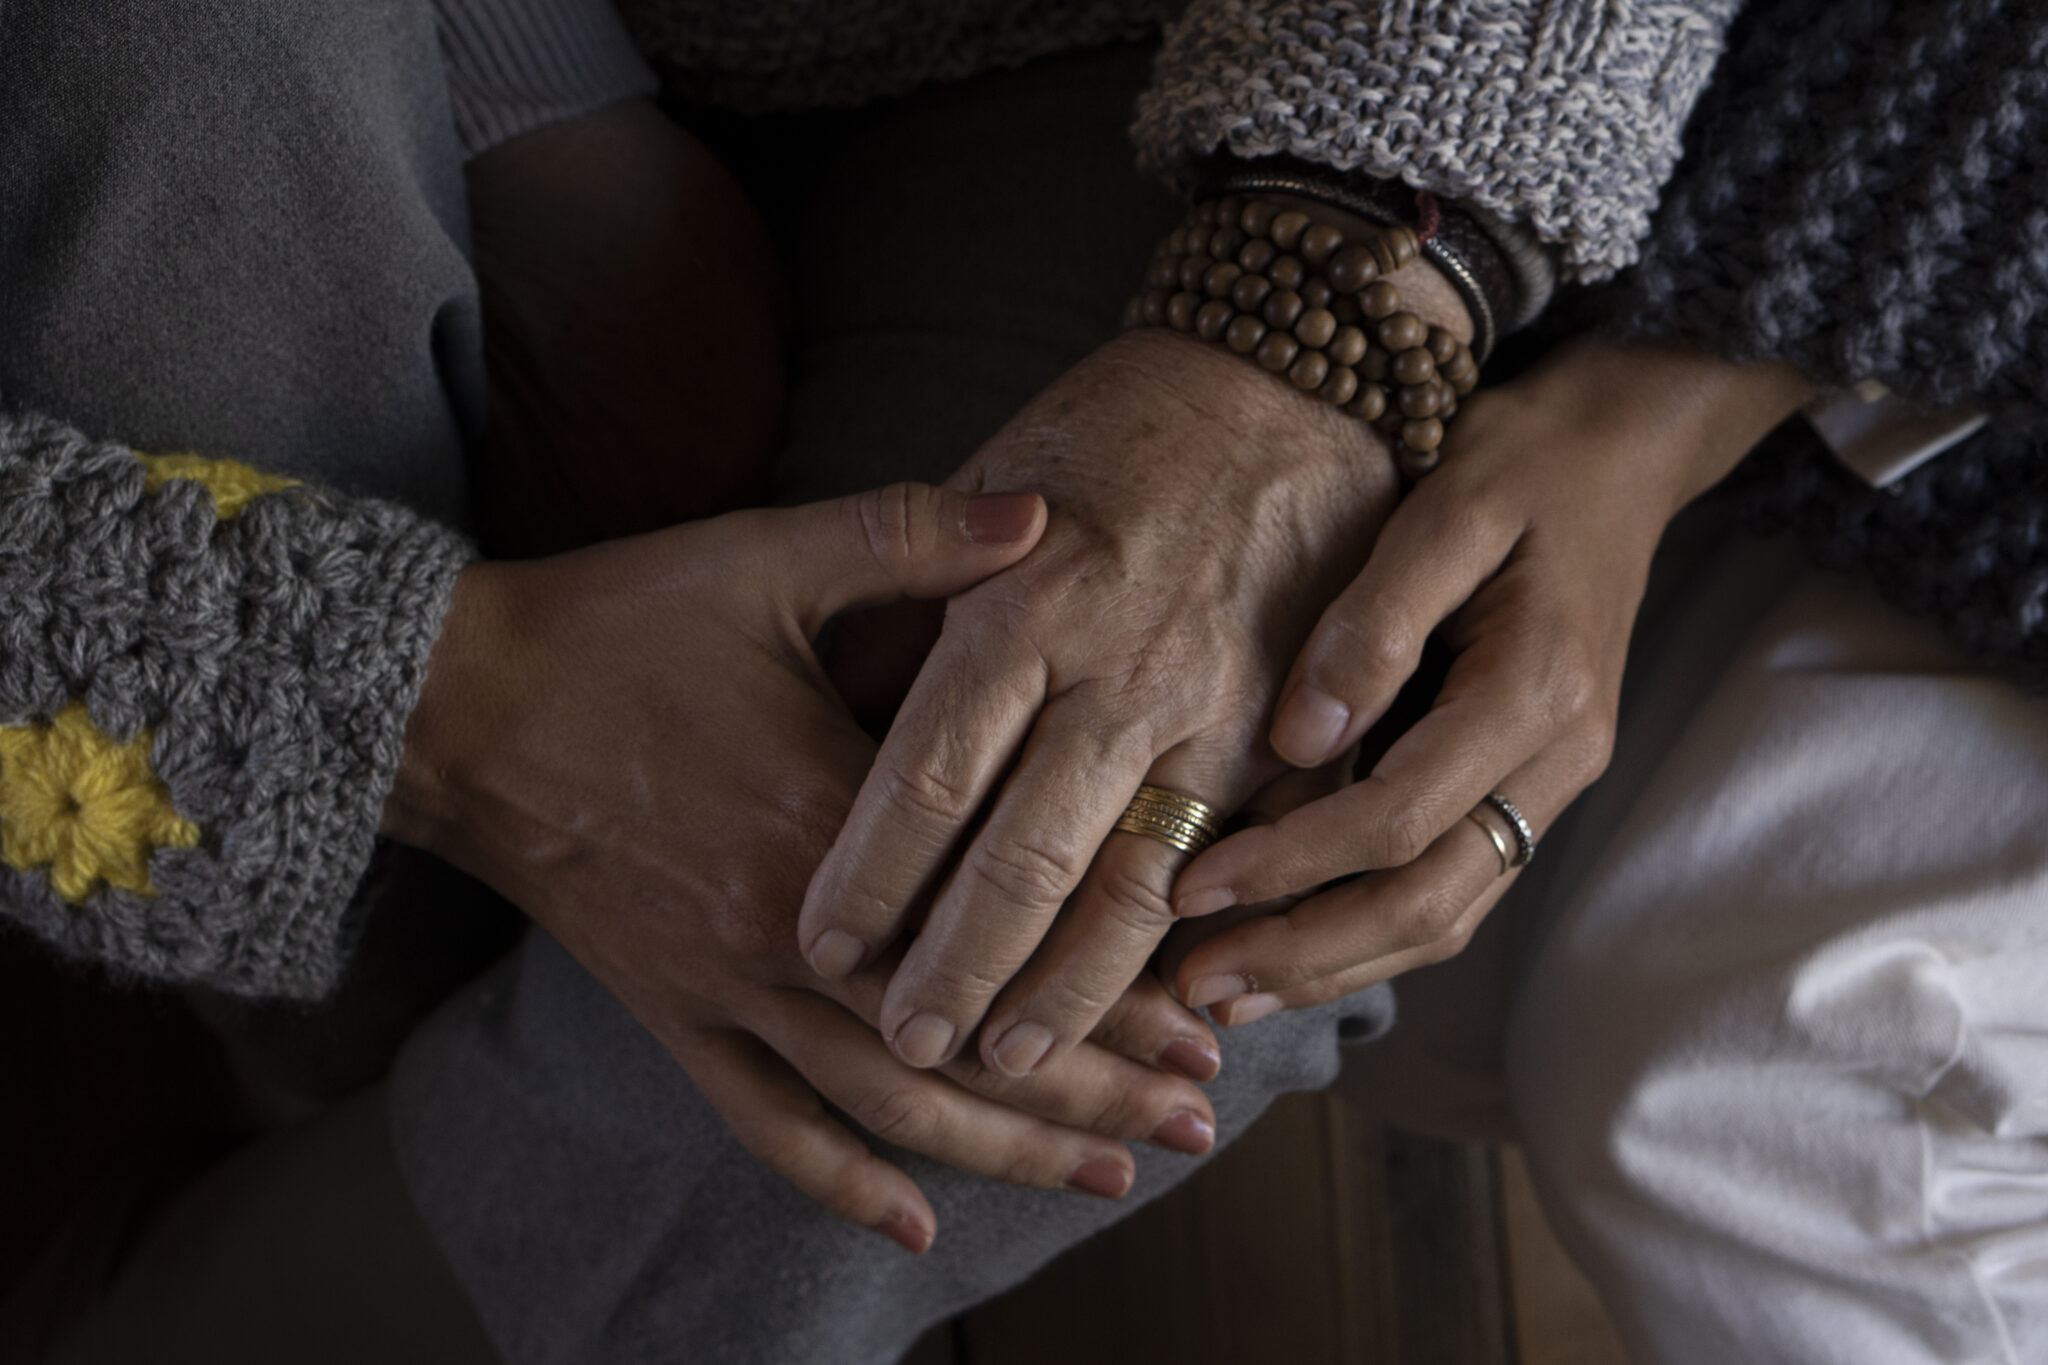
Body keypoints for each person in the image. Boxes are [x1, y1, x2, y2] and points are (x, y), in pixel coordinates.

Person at [3, 4, 2043, 1365]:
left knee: (1115, 884)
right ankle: (374, 1046)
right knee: (165, 99)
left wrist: (1325, 288)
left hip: (1137, 60)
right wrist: (427, 702)